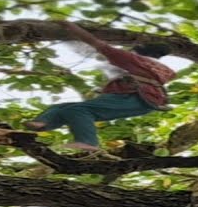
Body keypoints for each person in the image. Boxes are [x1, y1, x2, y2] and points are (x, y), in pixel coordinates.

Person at [25, 21, 176, 152]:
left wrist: (70, 26)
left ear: (137, 50)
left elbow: (95, 43)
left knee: (78, 110)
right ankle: (41, 124)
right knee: (63, 107)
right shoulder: (163, 69)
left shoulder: (133, 59)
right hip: (146, 102)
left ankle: (88, 142)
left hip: (130, 98)